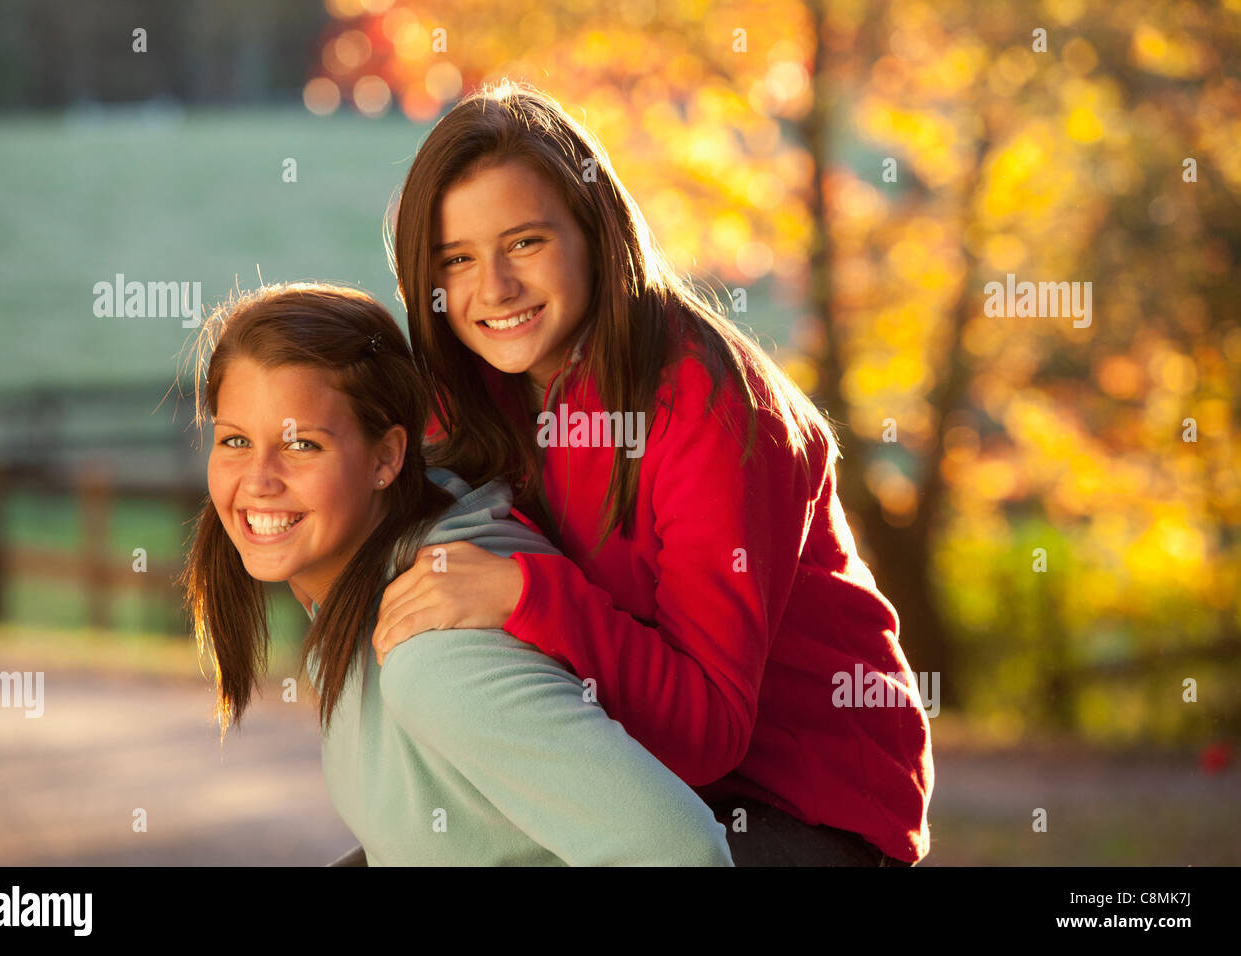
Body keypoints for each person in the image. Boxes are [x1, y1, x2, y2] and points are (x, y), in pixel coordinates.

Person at [371, 80, 933, 866]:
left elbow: (709, 732)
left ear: (593, 235)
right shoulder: (469, 396)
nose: (493, 289)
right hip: (618, 778)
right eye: (457, 259)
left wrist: (522, 594)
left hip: (794, 807)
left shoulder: (707, 404)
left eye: (525, 243)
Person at [178, 281, 733, 866]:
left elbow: (680, 852)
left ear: (386, 459)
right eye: (235, 440)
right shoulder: (367, 589)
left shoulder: (439, 659)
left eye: (302, 446)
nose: (259, 479)